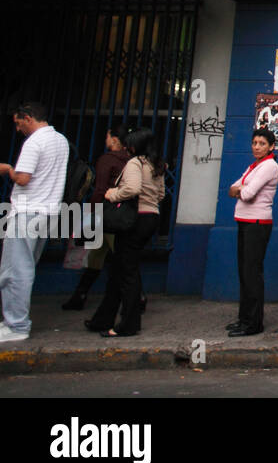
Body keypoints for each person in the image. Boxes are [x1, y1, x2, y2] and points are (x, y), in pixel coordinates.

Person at [85, 127, 165, 338]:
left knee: (126, 272)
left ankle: (129, 324)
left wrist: (112, 194)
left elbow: (132, 189)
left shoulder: (135, 163)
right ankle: (102, 318)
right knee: (120, 269)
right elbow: (161, 194)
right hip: (151, 216)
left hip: (134, 219)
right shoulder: (155, 165)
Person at [0, 102, 69, 342]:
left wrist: (8, 169)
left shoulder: (34, 142)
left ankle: (16, 325)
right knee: (26, 268)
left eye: (19, 123)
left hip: (27, 212)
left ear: (28, 118)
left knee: (15, 271)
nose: (18, 130)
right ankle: (14, 321)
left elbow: (23, 178)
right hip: (47, 213)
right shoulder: (60, 140)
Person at [62, 124, 129, 311]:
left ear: (115, 140)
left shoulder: (108, 160)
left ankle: (137, 298)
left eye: (108, 136)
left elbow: (100, 189)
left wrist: (91, 212)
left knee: (116, 257)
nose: (106, 139)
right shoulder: (132, 159)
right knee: (99, 255)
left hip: (106, 214)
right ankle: (79, 295)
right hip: (123, 214)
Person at [226, 128, 278, 336]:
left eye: (262, 144)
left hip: (257, 223)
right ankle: (244, 319)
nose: (257, 147)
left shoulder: (269, 166)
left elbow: (246, 193)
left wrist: (239, 190)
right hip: (245, 222)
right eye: (255, 143)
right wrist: (239, 190)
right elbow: (232, 187)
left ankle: (253, 323)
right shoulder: (254, 166)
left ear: (271, 147)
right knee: (244, 273)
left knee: (252, 274)